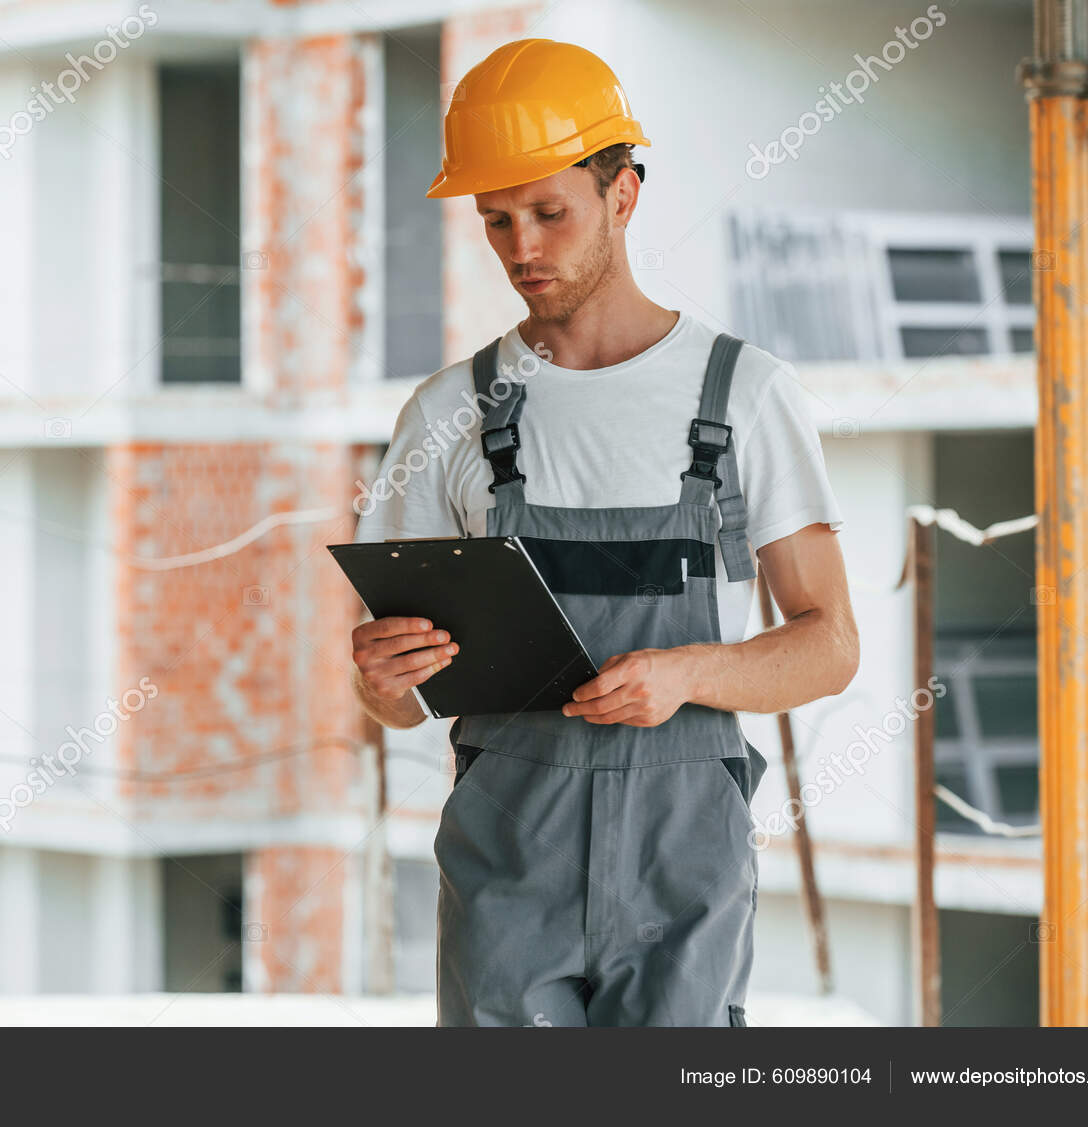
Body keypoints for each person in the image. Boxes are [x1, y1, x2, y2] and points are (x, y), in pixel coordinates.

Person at [349, 37, 858, 1027]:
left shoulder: (744, 395)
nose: (521, 249)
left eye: (550, 212)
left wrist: (685, 674)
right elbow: (399, 705)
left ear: (622, 194)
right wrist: (375, 679)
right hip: (507, 873)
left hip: (682, 868)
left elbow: (828, 644)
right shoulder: (447, 414)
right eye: (496, 221)